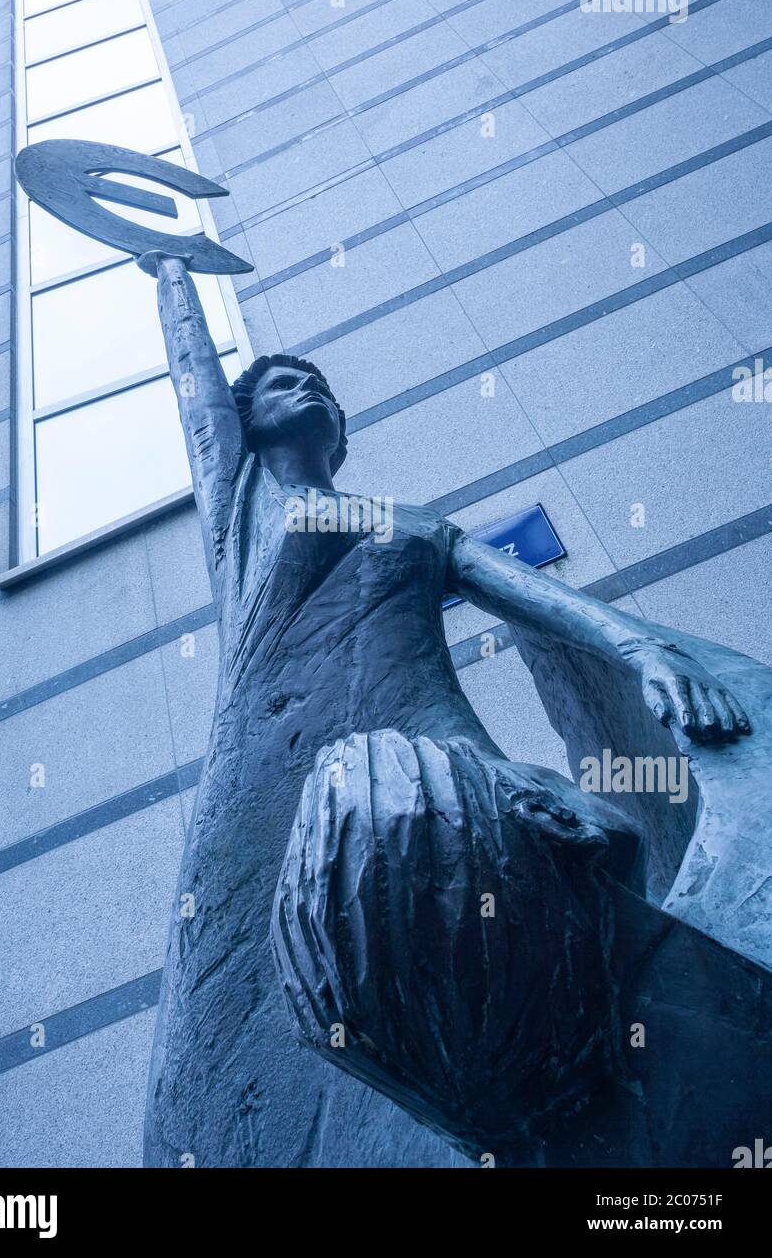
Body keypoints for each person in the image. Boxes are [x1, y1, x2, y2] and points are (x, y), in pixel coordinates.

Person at [143, 257, 749, 1168]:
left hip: (444, 752)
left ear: (340, 428)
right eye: (274, 379)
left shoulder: (415, 524)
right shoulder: (246, 520)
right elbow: (196, 390)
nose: (300, 380)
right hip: (288, 796)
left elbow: (535, 601)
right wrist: (169, 270)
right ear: (245, 419)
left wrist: (647, 653)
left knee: (600, 848)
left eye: (315, 380)